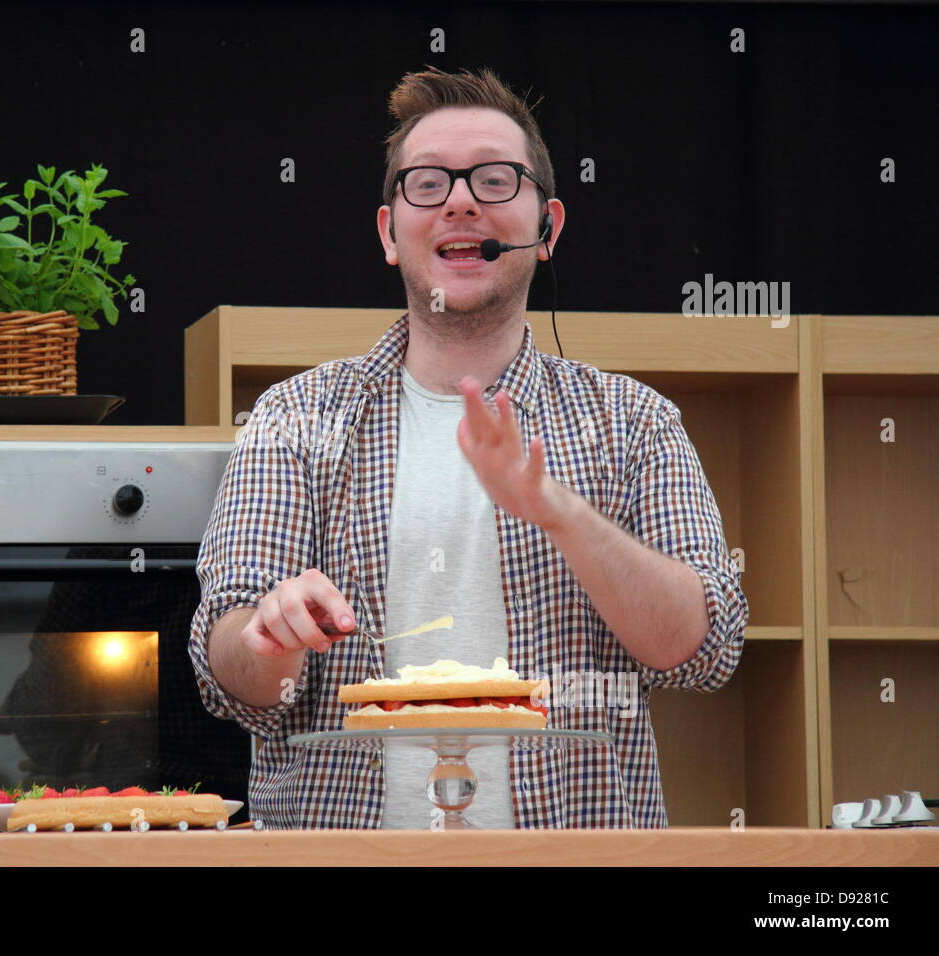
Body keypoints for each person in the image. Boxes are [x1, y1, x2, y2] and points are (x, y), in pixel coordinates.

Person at [188, 65, 747, 829]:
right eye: (426, 184)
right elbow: (230, 676)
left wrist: (557, 512)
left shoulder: (635, 421)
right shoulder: (293, 417)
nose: (459, 201)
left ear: (546, 229)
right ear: (390, 233)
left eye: (493, 179)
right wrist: (271, 636)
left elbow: (702, 649)